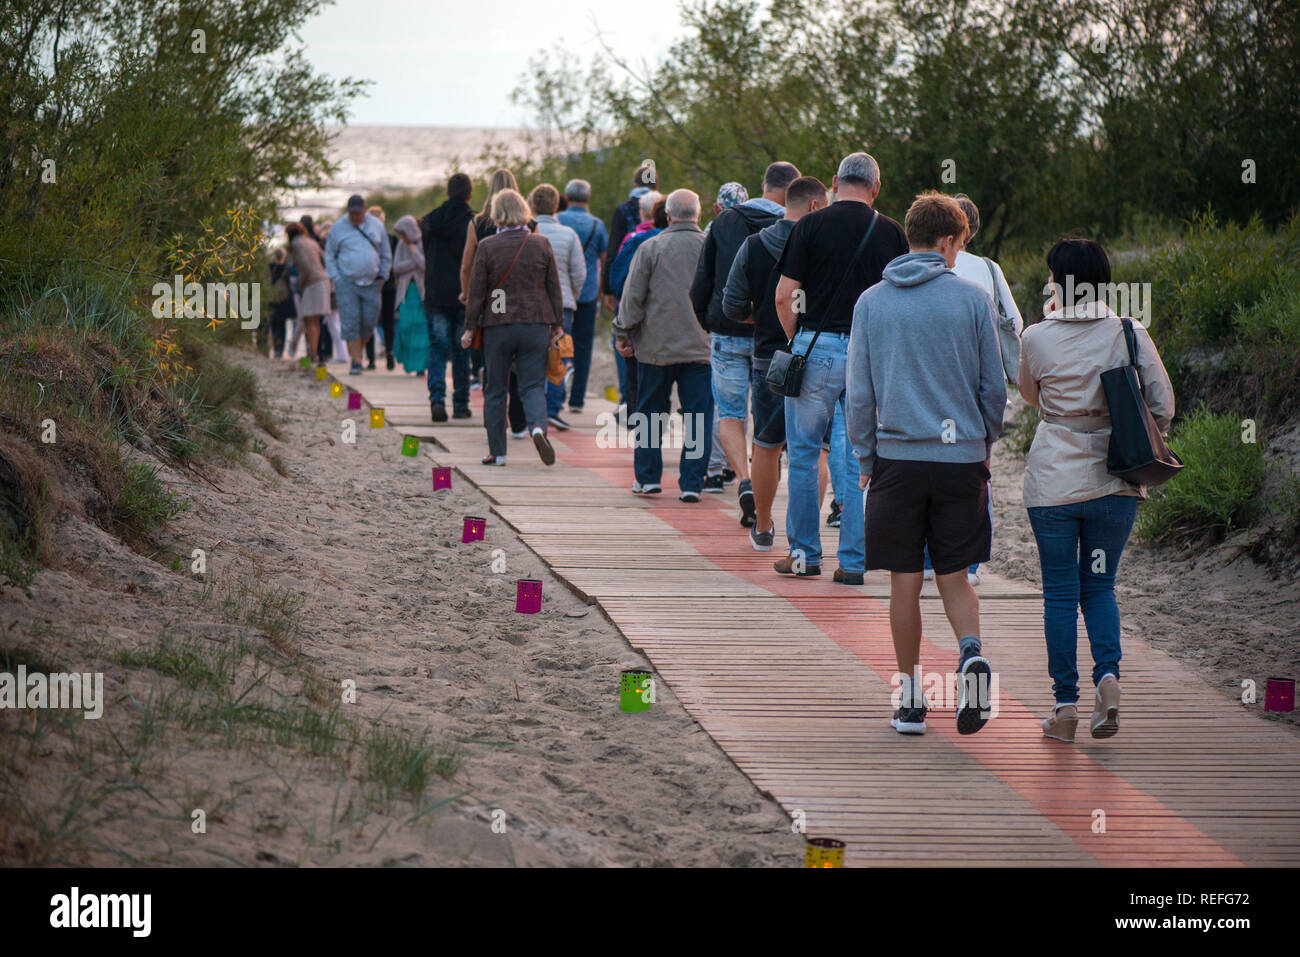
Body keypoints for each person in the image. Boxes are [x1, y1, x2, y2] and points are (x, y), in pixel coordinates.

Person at [847, 191, 1006, 736]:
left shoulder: (871, 303)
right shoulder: (971, 300)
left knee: (904, 582)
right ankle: (969, 652)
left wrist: (865, 455)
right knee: (956, 577)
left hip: (896, 458)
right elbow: (994, 387)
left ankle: (911, 700)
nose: (960, 254)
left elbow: (860, 392)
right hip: (960, 459)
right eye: (960, 244)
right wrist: (982, 444)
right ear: (946, 242)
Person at [1020, 238, 1174, 743]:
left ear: (1057, 282)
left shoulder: (1037, 337)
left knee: (1060, 595)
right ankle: (1109, 679)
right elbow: (1163, 405)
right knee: (1100, 588)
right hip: (1115, 483)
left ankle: (1064, 708)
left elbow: (1028, 394)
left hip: (1054, 484)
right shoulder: (1130, 331)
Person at [774, 152, 909, 584]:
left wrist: (797, 339)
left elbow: (783, 295)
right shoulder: (892, 233)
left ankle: (803, 556)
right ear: (877, 187)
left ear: (834, 181)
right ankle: (852, 563)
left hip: (816, 348)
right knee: (857, 460)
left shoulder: (810, 225)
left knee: (802, 454)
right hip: (870, 355)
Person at [921, 193, 1024, 586]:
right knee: (978, 475)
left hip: (931, 381)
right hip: (977, 386)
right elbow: (1012, 325)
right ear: (970, 231)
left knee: (930, 469)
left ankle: (930, 559)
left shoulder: (920, 266)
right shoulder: (989, 270)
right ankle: (971, 565)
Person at [723, 175, 829, 549]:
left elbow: (731, 304)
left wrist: (763, 316)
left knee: (767, 444)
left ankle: (764, 527)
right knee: (815, 447)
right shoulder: (825, 247)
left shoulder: (754, 246)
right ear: (816, 205)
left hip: (770, 357)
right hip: (818, 354)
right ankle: (805, 533)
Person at [692, 163, 800, 520]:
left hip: (726, 331)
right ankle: (765, 487)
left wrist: (706, 321)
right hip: (772, 336)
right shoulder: (793, 227)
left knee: (730, 412)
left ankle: (743, 479)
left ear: (764, 184)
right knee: (766, 415)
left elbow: (702, 281)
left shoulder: (724, 222)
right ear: (793, 191)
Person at [613, 189, 713, 501]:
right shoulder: (712, 248)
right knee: (697, 417)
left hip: (656, 348)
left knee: (651, 413)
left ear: (668, 216)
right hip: (701, 347)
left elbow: (632, 297)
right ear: (697, 215)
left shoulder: (651, 246)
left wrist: (622, 332)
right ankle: (692, 483)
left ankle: (648, 478)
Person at [461, 188, 562, 467]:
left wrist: (470, 327)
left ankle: (498, 452)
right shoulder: (541, 243)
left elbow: (477, 292)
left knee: (495, 388)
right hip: (536, 323)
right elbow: (553, 286)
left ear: (497, 214)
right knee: (532, 385)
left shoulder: (488, 246)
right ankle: (538, 428)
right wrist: (557, 325)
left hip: (498, 325)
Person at [530, 183, 586, 430]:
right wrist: (570, 298)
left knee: (532, 356)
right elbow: (579, 274)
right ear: (556, 205)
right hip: (562, 305)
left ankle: (534, 407)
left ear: (532, 205)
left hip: (533, 304)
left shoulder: (529, 233)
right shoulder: (569, 234)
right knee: (559, 356)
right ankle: (554, 407)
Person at [421, 172, 476, 421]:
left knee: (437, 347)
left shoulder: (430, 220)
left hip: (435, 291)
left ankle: (436, 399)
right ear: (469, 194)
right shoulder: (473, 222)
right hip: (463, 293)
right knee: (461, 349)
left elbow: (426, 252)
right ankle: (461, 404)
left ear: (447, 192)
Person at [557, 178, 608, 415]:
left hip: (561, 292)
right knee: (584, 346)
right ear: (588, 198)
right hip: (587, 292)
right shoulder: (597, 225)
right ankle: (577, 399)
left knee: (560, 340)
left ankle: (558, 388)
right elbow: (603, 261)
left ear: (566, 197)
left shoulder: (558, 220)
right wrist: (600, 294)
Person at [324, 195, 391, 375]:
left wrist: (383, 273)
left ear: (364, 210)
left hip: (372, 283)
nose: (355, 216)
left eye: (358, 213)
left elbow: (385, 252)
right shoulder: (338, 228)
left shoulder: (377, 225)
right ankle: (355, 361)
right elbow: (329, 255)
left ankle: (358, 354)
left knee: (369, 321)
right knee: (350, 321)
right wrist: (336, 277)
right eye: (352, 213)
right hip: (347, 282)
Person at [603, 164, 657, 312]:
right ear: (655, 185)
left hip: (629, 278)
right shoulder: (663, 206)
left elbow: (613, 249)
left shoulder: (623, 209)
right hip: (659, 278)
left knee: (623, 327)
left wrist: (607, 287)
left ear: (635, 183)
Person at [285, 221, 328, 367]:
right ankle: (314, 354)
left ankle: (312, 356)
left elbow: (305, 266)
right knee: (315, 321)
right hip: (322, 280)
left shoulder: (296, 245)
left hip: (311, 283)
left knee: (310, 320)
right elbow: (324, 259)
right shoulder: (311, 242)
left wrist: (301, 285)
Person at [390, 214, 428, 374]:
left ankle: (421, 366)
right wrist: (414, 263)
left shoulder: (423, 242)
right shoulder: (401, 245)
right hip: (406, 293)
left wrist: (414, 253)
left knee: (421, 331)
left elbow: (426, 265)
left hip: (421, 294)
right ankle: (409, 363)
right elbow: (396, 267)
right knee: (405, 328)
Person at [610, 192, 665, 297]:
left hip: (634, 299)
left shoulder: (633, 239)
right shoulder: (669, 237)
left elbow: (619, 271)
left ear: (643, 213)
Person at [366, 205, 397, 370]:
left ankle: (371, 359)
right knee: (388, 321)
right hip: (389, 284)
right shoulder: (392, 239)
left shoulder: (366, 240)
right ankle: (389, 354)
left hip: (373, 283)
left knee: (370, 320)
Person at [267, 246, 297, 359]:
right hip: (285, 299)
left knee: (274, 324)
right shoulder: (288, 267)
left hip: (273, 298)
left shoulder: (270, 267)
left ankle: (276, 349)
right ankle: (280, 350)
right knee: (283, 325)